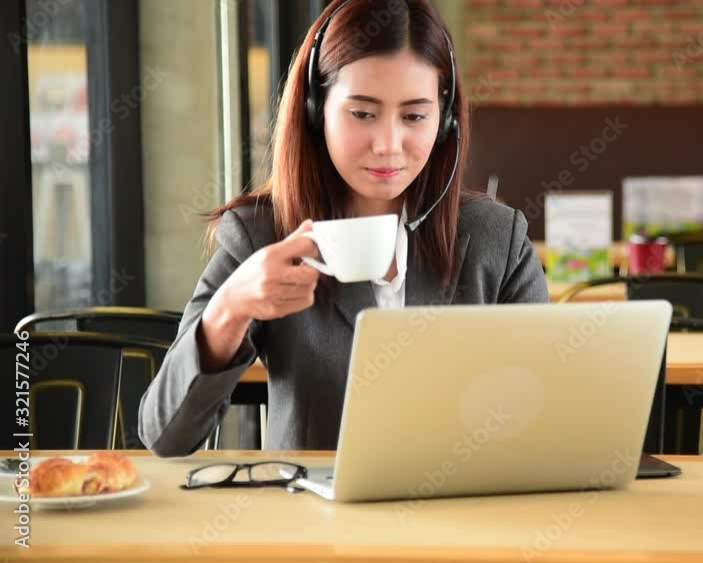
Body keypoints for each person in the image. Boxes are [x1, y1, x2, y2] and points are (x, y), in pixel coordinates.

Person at [139, 0, 548, 456]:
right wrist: (230, 308)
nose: (388, 145)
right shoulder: (263, 234)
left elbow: (550, 416)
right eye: (362, 113)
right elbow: (166, 435)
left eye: (414, 116)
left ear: (445, 119)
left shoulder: (498, 238)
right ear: (317, 112)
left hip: (465, 516)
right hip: (317, 524)